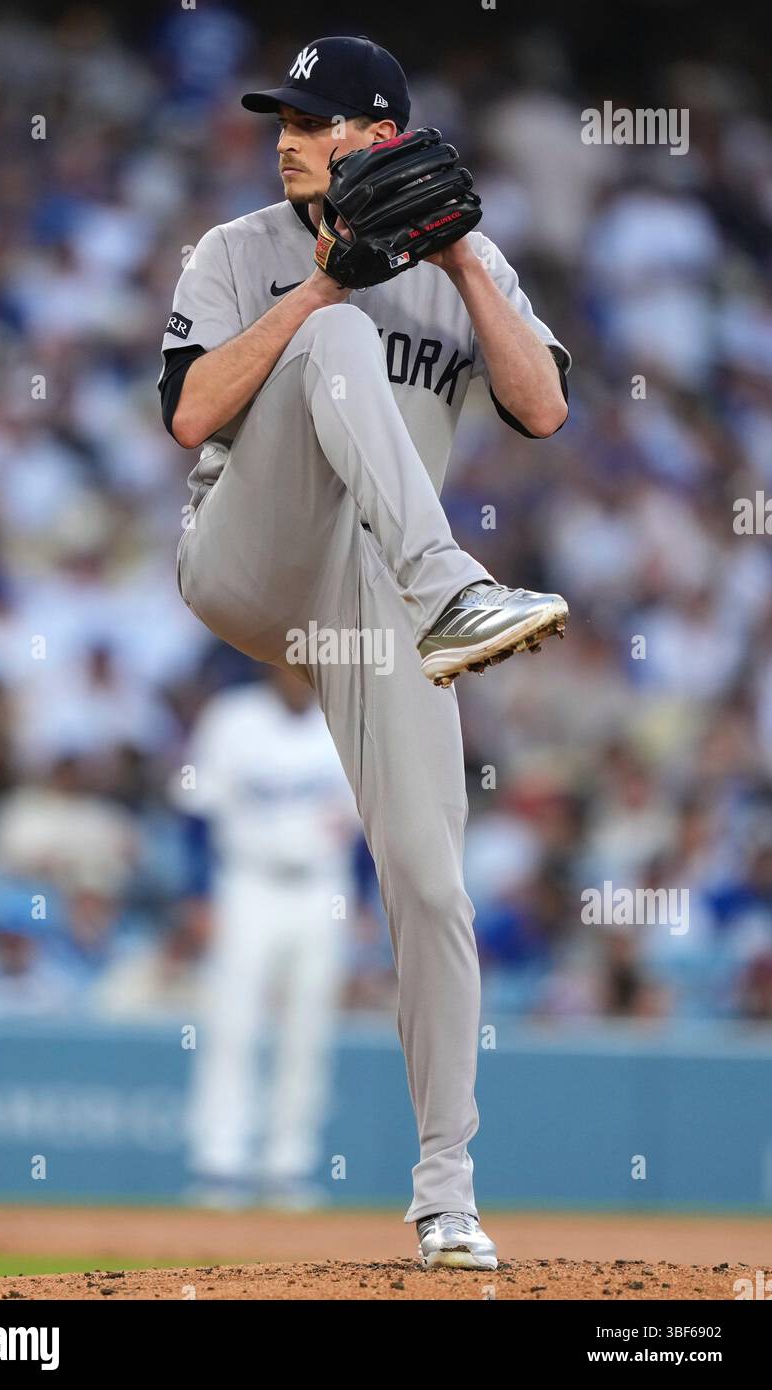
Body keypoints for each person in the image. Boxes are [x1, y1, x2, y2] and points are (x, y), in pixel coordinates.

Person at [157, 34, 571, 1270]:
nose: (287, 134)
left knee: (434, 884)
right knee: (334, 343)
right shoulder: (235, 249)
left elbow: (542, 409)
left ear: (379, 136)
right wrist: (327, 286)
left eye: (315, 118)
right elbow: (188, 412)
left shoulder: (470, 259)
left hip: (374, 602)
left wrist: (458, 261)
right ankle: (454, 587)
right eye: (282, 115)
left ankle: (447, 1193)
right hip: (249, 558)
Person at [170, 664, 362, 1208]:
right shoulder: (232, 719)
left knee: (309, 1026)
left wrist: (367, 902)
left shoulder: (345, 718)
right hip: (246, 881)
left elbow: (368, 822)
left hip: (323, 886)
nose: (297, 673)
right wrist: (199, 894)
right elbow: (196, 813)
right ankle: (220, 1163)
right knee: (233, 1023)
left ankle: (288, 1166)